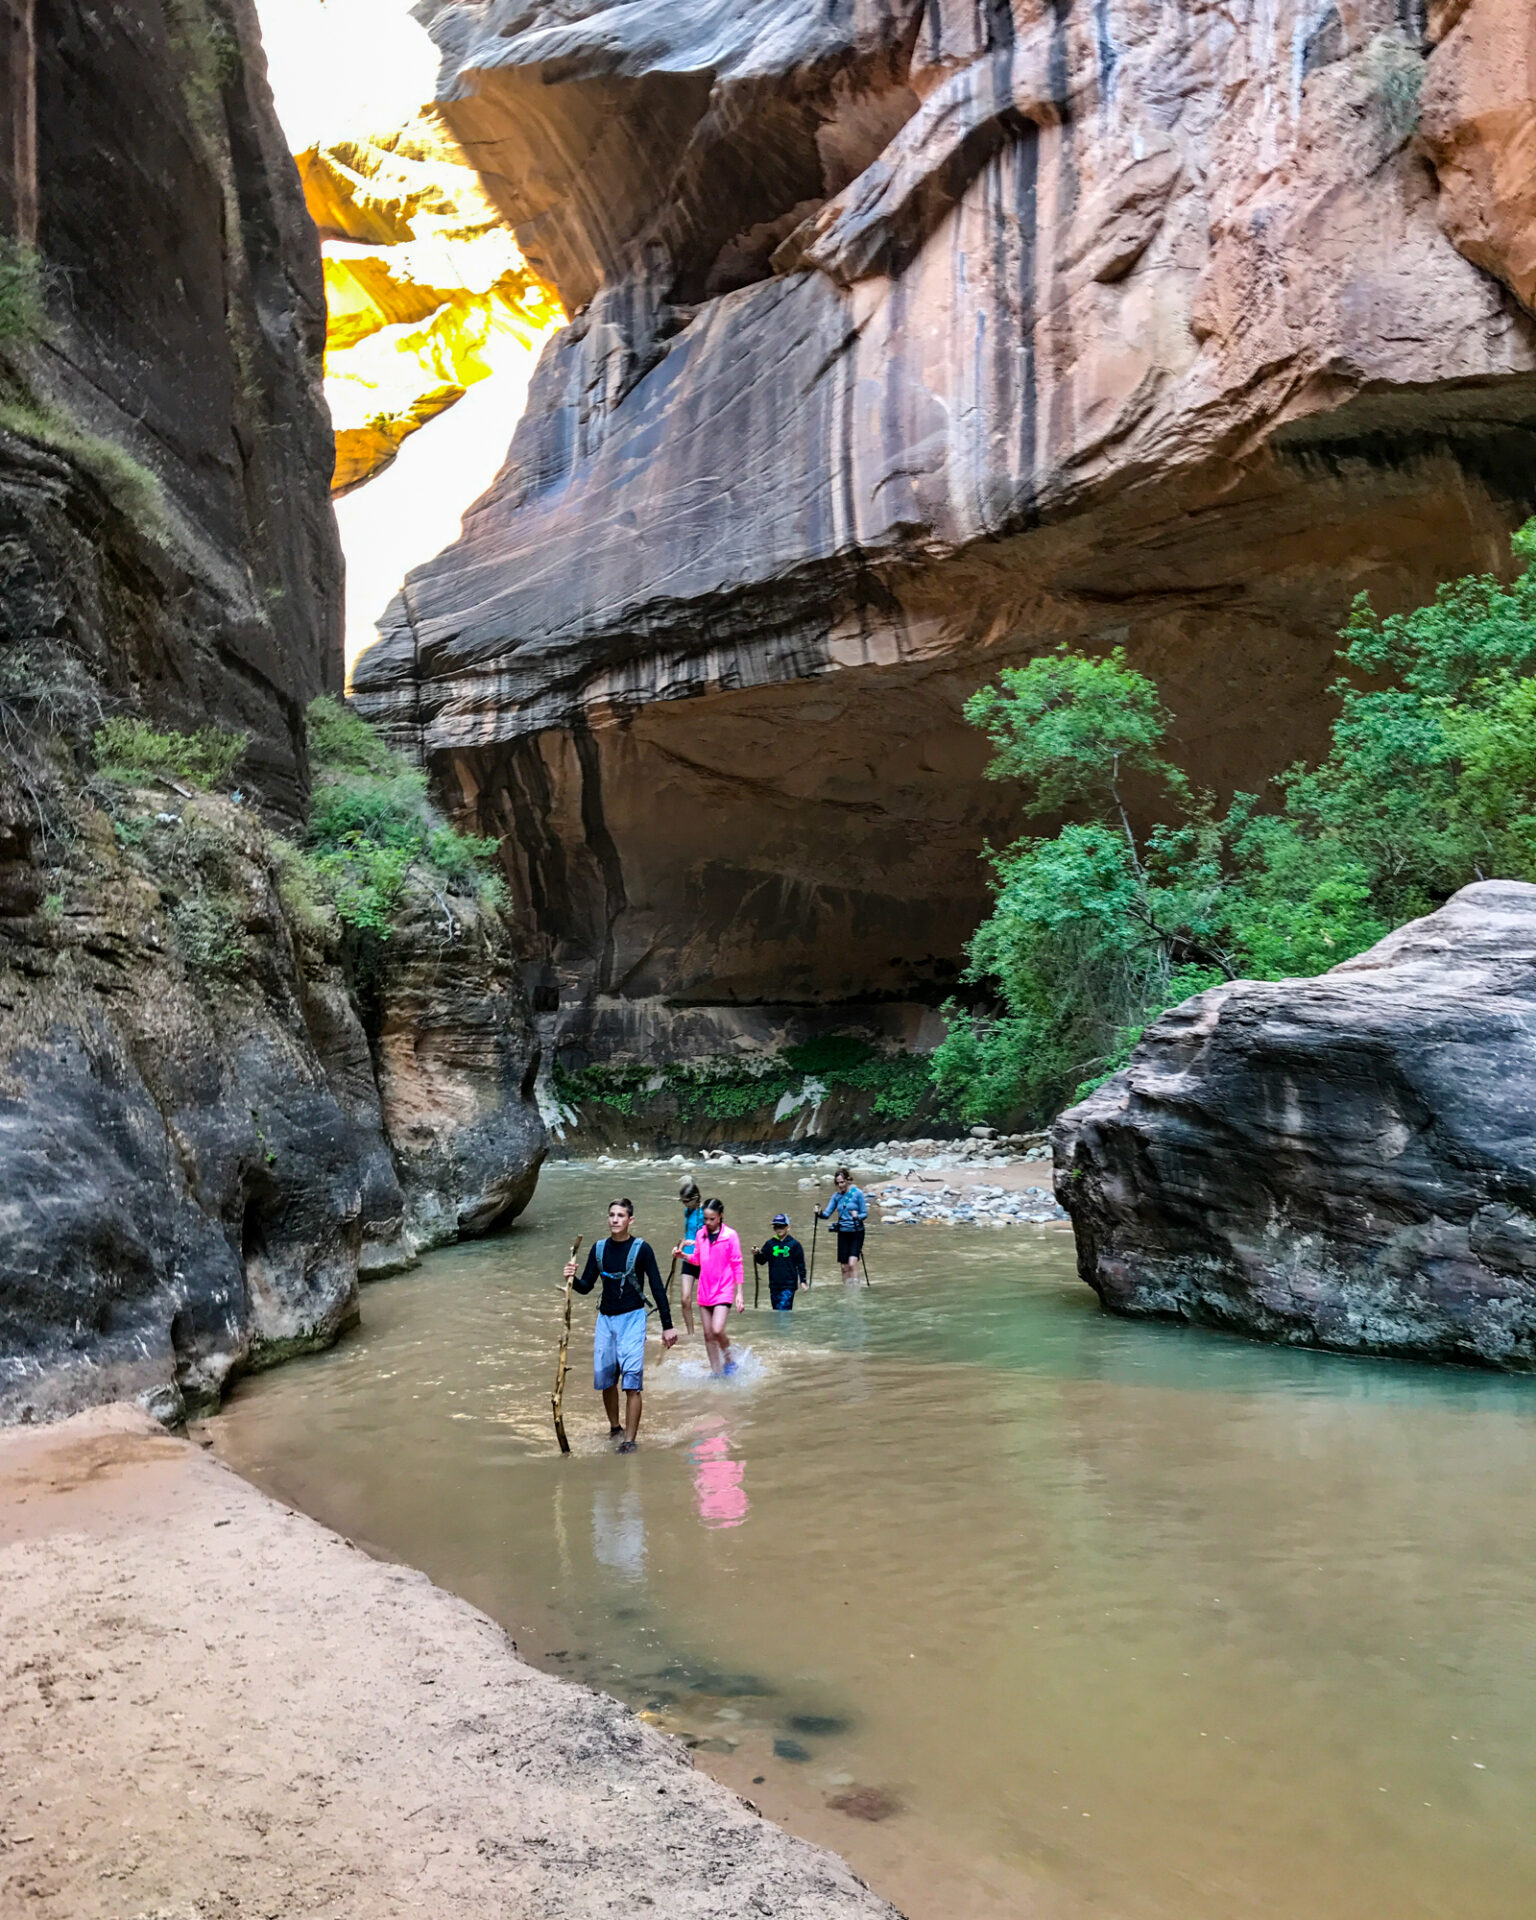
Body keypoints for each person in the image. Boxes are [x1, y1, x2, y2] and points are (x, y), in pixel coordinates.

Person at [565, 1198, 677, 1452]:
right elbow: (586, 1287)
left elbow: (658, 1288)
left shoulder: (642, 1249)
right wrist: (573, 1278)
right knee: (606, 1380)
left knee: (632, 1382)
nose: (615, 1220)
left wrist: (668, 1326)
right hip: (606, 1319)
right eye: (612, 1215)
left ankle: (629, 1440)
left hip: (633, 1319)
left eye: (621, 1216)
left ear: (630, 1220)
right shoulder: (599, 1248)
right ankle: (615, 1427)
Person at [679, 1197, 744, 1375]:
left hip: (724, 1289)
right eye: (706, 1219)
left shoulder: (730, 1235)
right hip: (705, 1290)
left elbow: (737, 1263)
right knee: (707, 1335)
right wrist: (683, 1256)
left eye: (712, 1219)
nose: (708, 1222)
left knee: (717, 1330)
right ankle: (716, 1373)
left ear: (720, 1216)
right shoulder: (701, 1234)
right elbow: (698, 1259)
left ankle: (729, 1359)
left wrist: (739, 1293)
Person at [819, 1166, 867, 1280]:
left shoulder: (858, 1193)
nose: (840, 1185)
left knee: (852, 1263)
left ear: (847, 1180)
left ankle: (855, 1290)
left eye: (842, 1182)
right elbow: (826, 1214)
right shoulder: (836, 1196)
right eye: (838, 1183)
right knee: (844, 1266)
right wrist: (818, 1212)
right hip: (843, 1231)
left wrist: (857, 1216)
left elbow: (864, 1214)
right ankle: (847, 1290)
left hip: (856, 1231)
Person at [752, 1214, 806, 1310]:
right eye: (776, 1227)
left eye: (781, 1226)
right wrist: (757, 1254)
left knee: (783, 1310)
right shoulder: (770, 1244)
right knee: (776, 1310)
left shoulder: (794, 1244)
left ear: (788, 1227)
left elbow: (800, 1264)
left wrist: (803, 1281)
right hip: (774, 1284)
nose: (779, 1229)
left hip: (789, 1285)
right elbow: (762, 1261)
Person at [677, 1176, 704, 1335]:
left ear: (695, 1199)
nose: (683, 1204)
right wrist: (680, 1247)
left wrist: (697, 1244)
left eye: (685, 1201)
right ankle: (691, 1333)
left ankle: (709, 1330)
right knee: (685, 1299)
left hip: (702, 1260)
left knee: (705, 1300)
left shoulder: (705, 1213)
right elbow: (687, 1234)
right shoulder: (688, 1211)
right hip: (687, 1258)